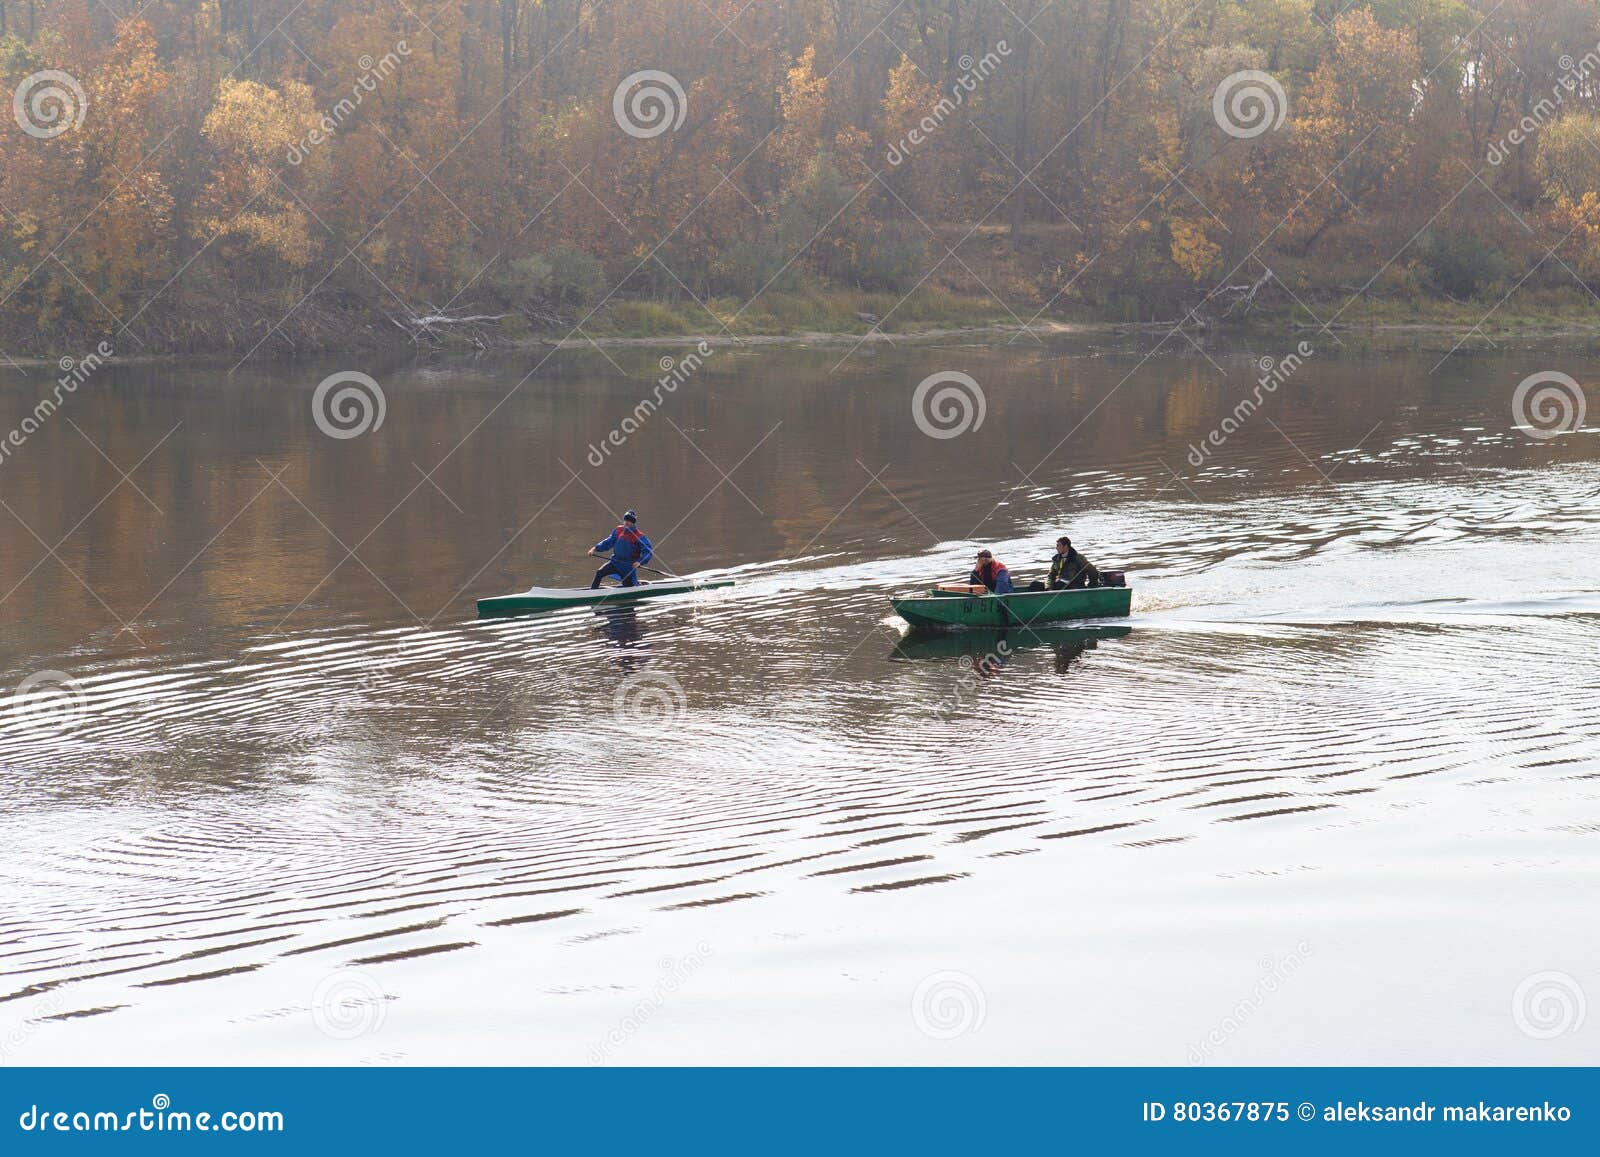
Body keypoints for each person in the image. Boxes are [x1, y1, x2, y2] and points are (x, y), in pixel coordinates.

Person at [588, 510, 653, 588]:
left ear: (633, 522)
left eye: (630, 521)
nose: (627, 522)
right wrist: (595, 548)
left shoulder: (639, 536)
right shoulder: (618, 530)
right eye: (626, 520)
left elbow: (647, 552)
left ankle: (635, 586)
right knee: (599, 572)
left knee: (628, 586)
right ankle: (593, 592)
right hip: (615, 562)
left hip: (627, 566)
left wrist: (639, 562)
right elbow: (608, 542)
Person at [1029, 537, 1101, 591]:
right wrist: (1048, 587)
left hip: (1074, 587)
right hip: (1058, 585)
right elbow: (1050, 575)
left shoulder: (1078, 558)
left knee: (1060, 585)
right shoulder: (1057, 559)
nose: (1056, 548)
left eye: (1058, 545)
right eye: (1056, 545)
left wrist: (1092, 586)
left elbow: (1093, 571)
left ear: (1066, 546)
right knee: (1034, 584)